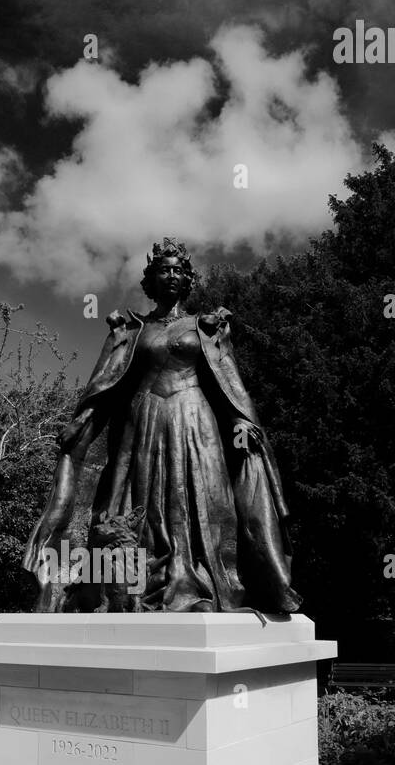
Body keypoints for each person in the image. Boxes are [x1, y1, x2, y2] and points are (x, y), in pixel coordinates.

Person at [23, 238, 300, 614]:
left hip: (195, 419)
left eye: (177, 270)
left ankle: (202, 581)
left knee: (203, 499)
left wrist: (240, 421)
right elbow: (106, 385)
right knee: (144, 505)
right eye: (162, 270)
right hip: (143, 423)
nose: (170, 275)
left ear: (187, 279)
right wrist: (83, 421)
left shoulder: (206, 328)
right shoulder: (132, 330)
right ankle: (138, 587)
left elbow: (229, 384)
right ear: (150, 281)